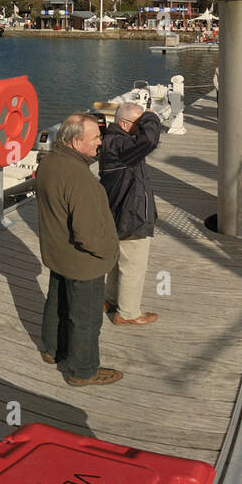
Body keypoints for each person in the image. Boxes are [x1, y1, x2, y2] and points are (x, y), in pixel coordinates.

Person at [33, 114, 122, 387]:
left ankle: (52, 350)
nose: (100, 142)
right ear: (74, 142)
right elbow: (88, 234)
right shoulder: (80, 178)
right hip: (84, 263)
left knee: (57, 302)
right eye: (95, 137)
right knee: (85, 318)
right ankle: (82, 371)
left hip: (57, 253)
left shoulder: (49, 162)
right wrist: (110, 252)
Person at [95, 102, 164, 326]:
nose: (141, 128)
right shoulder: (123, 145)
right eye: (138, 123)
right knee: (134, 265)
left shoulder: (112, 141)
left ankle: (111, 300)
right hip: (130, 214)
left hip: (117, 210)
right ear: (124, 124)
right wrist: (151, 118)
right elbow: (150, 140)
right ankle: (128, 312)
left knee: (118, 262)